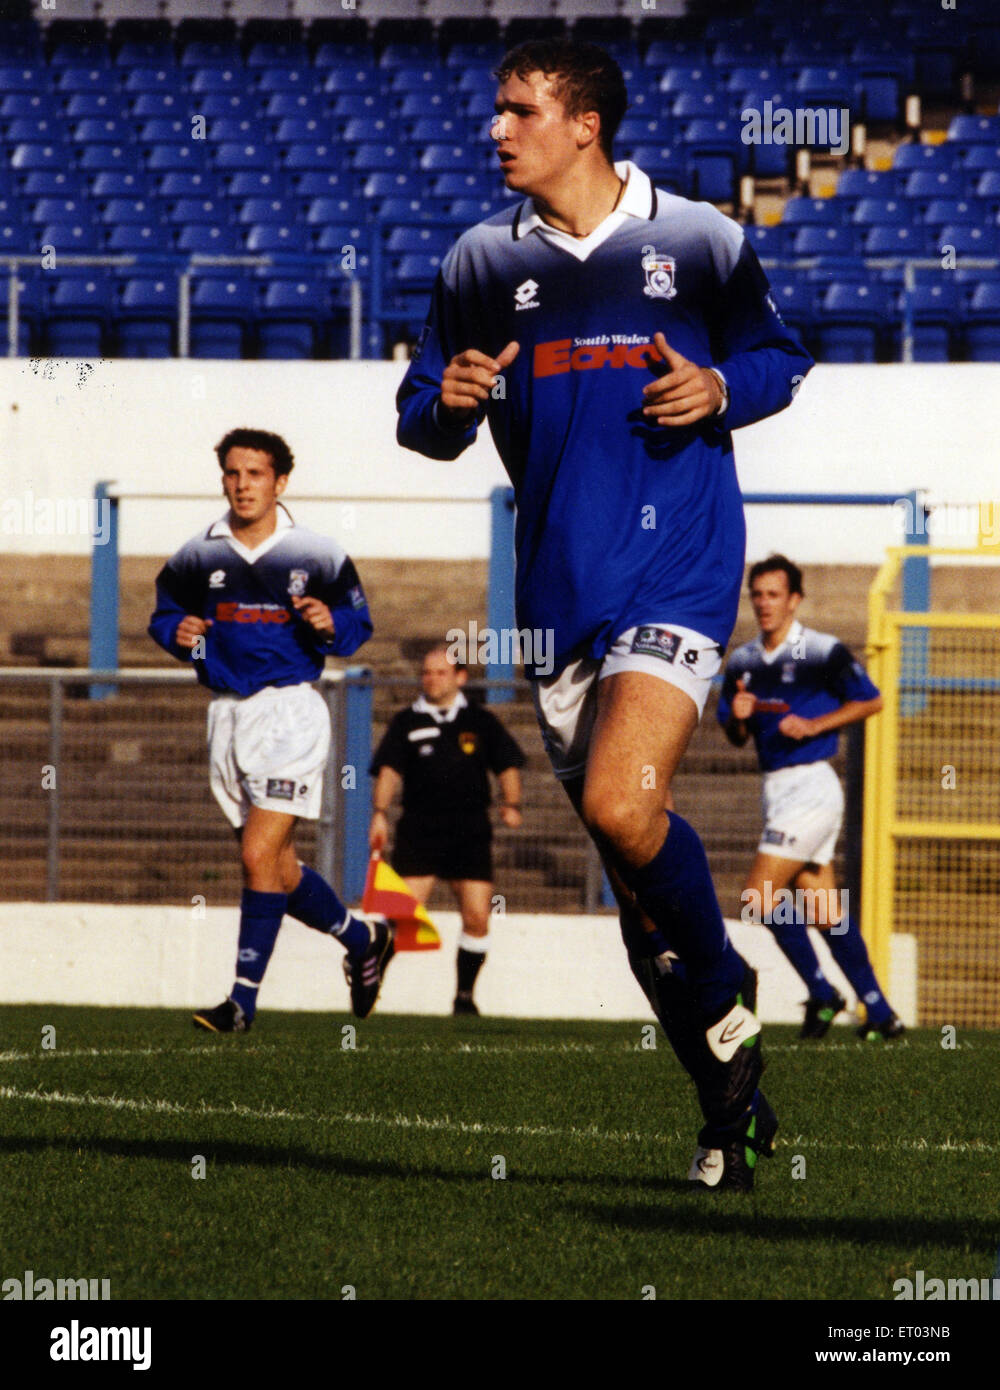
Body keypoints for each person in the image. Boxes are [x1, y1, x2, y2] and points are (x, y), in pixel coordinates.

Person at [395, 39, 814, 1190]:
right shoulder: (478, 260)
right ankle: (724, 1096)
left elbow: (781, 354)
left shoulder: (699, 236)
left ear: (585, 125)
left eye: (519, 110)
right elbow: (418, 415)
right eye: (497, 111)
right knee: (636, 884)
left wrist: (722, 387)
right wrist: (451, 400)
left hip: (678, 569)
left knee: (627, 804)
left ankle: (726, 990)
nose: (497, 129)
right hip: (558, 594)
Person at [148, 427, 395, 1032]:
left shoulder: (316, 553)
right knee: (276, 868)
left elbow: (359, 622)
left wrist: (329, 620)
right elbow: (163, 613)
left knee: (258, 856)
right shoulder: (197, 553)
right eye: (232, 473)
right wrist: (175, 633)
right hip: (227, 716)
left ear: (280, 481)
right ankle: (364, 939)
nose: (241, 485)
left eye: (254, 474)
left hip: (289, 713)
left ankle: (241, 1002)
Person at [717, 554, 904, 1041]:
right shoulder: (742, 661)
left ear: (795, 599)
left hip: (813, 785)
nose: (764, 603)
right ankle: (880, 1011)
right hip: (775, 789)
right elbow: (736, 736)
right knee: (825, 912)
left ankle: (822, 990)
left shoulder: (823, 650)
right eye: (757, 594)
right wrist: (739, 717)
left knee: (758, 899)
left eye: (774, 594)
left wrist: (816, 725)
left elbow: (873, 699)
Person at [368, 644, 526, 1016]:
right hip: (419, 828)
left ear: (460, 678)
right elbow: (389, 770)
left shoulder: (481, 721)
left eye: (440, 673)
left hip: (470, 830)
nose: (431, 679)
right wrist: (378, 813)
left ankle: (465, 997)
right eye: (426, 672)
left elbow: (507, 765)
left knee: (477, 916)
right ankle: (371, 980)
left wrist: (511, 803)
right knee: (404, 914)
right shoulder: (407, 720)